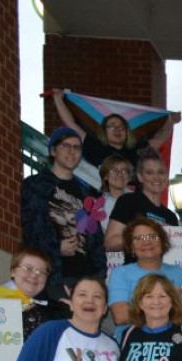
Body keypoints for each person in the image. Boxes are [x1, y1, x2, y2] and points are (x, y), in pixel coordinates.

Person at [20, 126, 107, 304]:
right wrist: (55, 248)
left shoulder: (87, 192)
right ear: (53, 150)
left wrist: (99, 273)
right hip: (52, 276)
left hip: (85, 277)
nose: (71, 151)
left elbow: (96, 237)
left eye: (76, 147)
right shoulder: (35, 186)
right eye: (66, 146)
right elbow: (31, 228)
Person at [107, 217, 182, 338]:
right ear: (131, 247)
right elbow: (120, 316)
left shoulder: (177, 272)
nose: (146, 242)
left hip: (173, 341)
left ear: (163, 242)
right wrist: (168, 299)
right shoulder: (120, 273)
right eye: (138, 238)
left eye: (152, 237)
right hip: (134, 345)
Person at [52, 90, 179, 168]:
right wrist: (58, 99)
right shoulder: (94, 145)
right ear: (104, 132)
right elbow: (71, 124)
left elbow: (160, 138)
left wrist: (171, 122)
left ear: (127, 132)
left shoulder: (136, 150)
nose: (117, 130)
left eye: (121, 127)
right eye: (112, 126)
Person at [104, 149, 179, 252]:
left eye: (161, 172)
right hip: (135, 267)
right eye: (150, 173)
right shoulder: (128, 201)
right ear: (140, 177)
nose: (157, 177)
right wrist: (145, 237)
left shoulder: (171, 217)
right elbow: (110, 242)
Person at [97, 154, 133, 231]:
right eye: (115, 170)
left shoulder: (137, 202)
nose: (120, 174)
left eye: (124, 171)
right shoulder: (100, 207)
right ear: (105, 176)